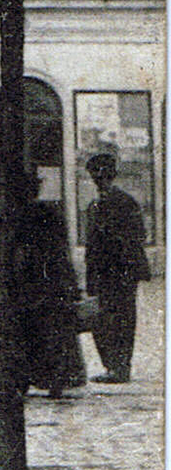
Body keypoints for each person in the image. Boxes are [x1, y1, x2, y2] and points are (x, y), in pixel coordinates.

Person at [6, 169, 87, 398]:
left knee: (32, 332)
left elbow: (13, 252)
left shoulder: (17, 216)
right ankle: (55, 379)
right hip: (50, 281)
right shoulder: (49, 213)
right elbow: (62, 251)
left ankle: (32, 379)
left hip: (33, 282)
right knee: (52, 332)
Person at [83, 152, 150, 383]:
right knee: (102, 319)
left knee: (121, 319)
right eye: (95, 176)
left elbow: (138, 235)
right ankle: (112, 365)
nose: (98, 180)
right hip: (103, 272)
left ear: (111, 176)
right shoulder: (94, 205)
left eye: (102, 176)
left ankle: (120, 367)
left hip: (121, 271)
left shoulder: (124, 202)